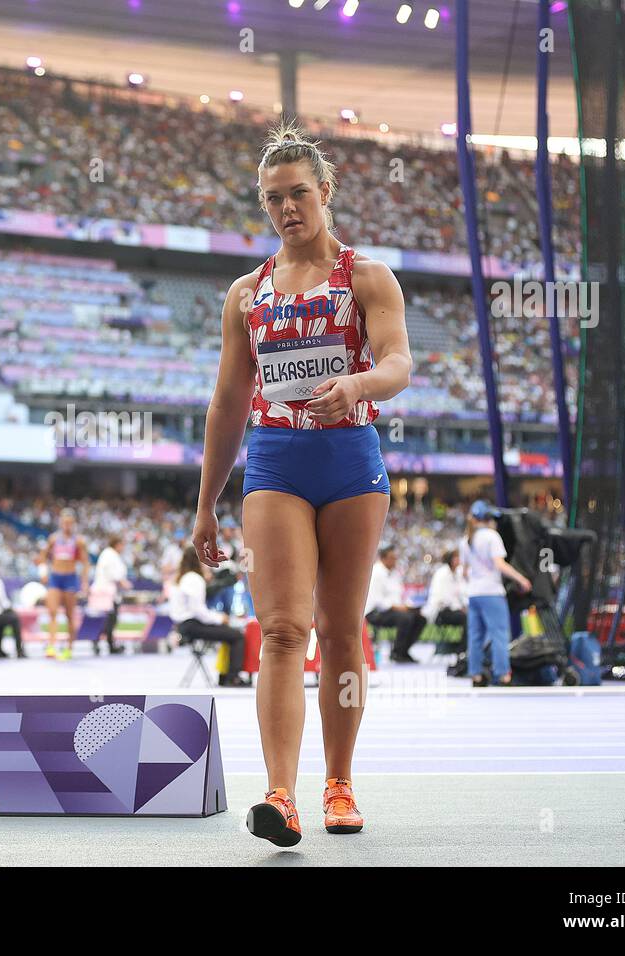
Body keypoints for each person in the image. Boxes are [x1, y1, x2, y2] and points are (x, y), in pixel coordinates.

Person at [193, 121, 412, 847]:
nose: (287, 209)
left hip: (351, 460)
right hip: (276, 462)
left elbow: (398, 366)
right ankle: (280, 796)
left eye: (298, 194)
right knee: (283, 630)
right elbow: (227, 406)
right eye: (272, 199)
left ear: (326, 192)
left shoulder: (366, 277)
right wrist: (205, 508)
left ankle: (339, 784)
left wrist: (354, 385)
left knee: (341, 630)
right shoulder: (247, 294)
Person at [461, 501, 532, 687]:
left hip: (474, 593)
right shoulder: (491, 536)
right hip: (492, 592)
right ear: (488, 519)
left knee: (475, 636)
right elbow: (500, 565)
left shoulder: (466, 539)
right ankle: (503, 675)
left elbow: (464, 572)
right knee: (499, 634)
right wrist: (521, 579)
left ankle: (476, 675)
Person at [168, 545, 247, 688]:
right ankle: (232, 678)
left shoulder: (183, 577)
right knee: (237, 636)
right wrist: (219, 618)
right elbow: (198, 611)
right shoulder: (194, 579)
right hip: (192, 624)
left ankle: (225, 676)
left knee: (228, 632)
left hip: (185, 624)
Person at [36, 508, 89, 661]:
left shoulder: (79, 541)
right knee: (52, 612)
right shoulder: (53, 538)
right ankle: (51, 646)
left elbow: (85, 563)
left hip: (70, 578)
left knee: (69, 615)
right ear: (60, 523)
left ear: (73, 524)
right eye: (64, 522)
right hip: (55, 577)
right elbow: (43, 556)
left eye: (70, 523)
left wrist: (84, 582)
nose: (67, 525)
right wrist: (44, 572)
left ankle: (69, 648)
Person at [364, 545, 427, 663]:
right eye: (392, 558)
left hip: (393, 610)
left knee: (421, 619)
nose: (395, 561)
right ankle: (397, 653)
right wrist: (399, 607)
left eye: (395, 558)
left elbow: (398, 596)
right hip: (375, 612)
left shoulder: (395, 574)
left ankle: (404, 651)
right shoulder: (376, 573)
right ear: (383, 558)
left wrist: (408, 606)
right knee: (406, 618)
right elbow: (377, 600)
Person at [92, 534, 130, 654]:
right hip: (105, 592)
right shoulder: (109, 554)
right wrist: (123, 582)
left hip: (109, 592)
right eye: (122, 545)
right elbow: (113, 573)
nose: (123, 547)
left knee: (110, 620)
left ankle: (107, 642)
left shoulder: (112, 555)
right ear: (117, 544)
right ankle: (101, 642)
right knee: (108, 620)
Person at [421, 548, 467, 635]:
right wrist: (459, 608)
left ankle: (463, 646)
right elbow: (442, 598)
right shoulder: (442, 573)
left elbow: (462, 593)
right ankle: (461, 647)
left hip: (454, 609)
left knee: (471, 616)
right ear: (450, 559)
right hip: (441, 612)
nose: (459, 560)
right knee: (465, 617)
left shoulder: (457, 574)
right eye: (456, 557)